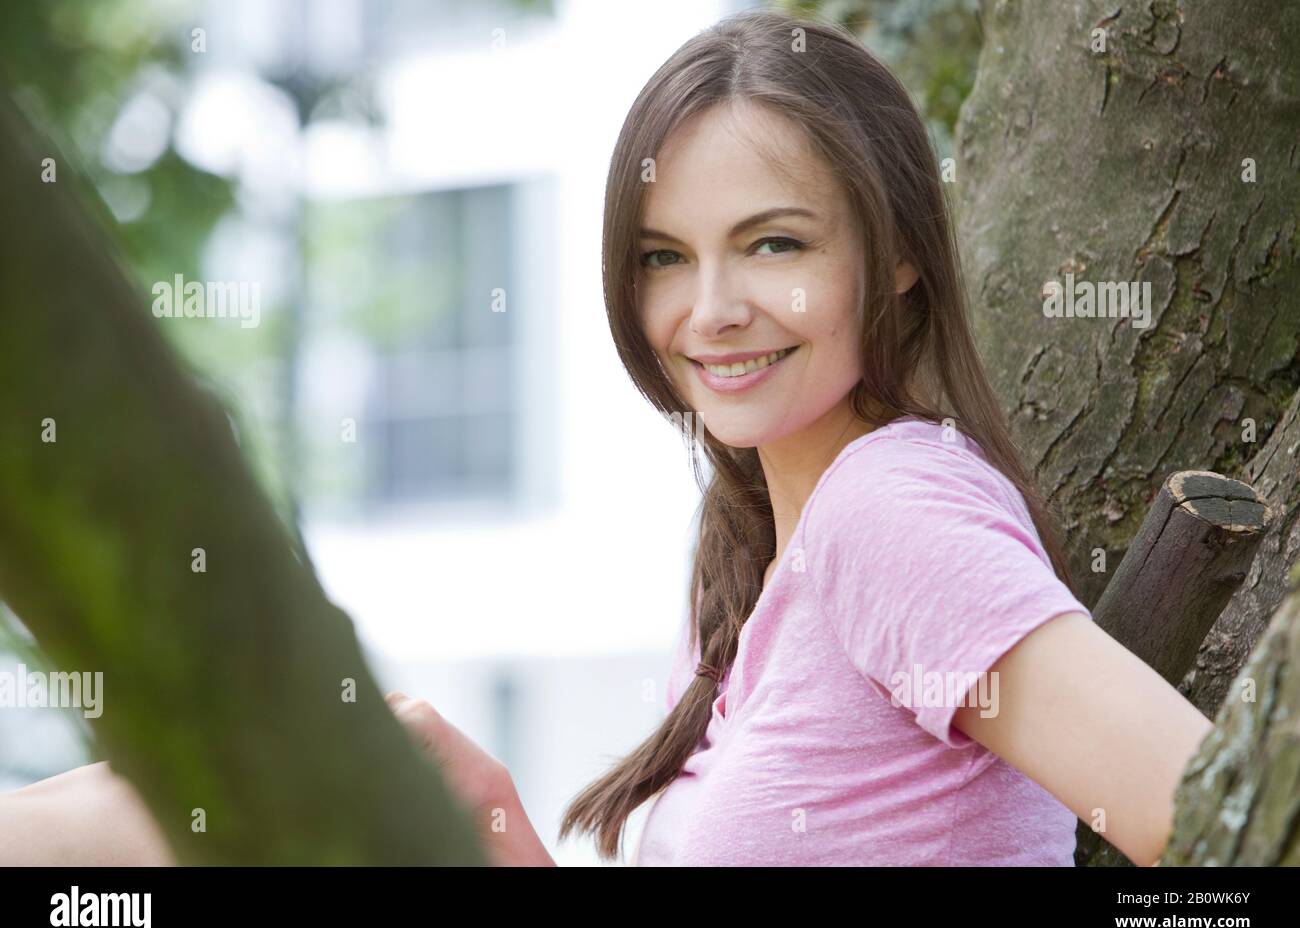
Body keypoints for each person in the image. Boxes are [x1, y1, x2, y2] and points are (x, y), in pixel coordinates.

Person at [0, 9, 1211, 867]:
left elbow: (1204, 817)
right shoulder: (749, 551)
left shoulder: (887, 509)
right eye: (664, 259)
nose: (712, 307)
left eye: (774, 243)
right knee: (298, 777)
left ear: (895, 255)